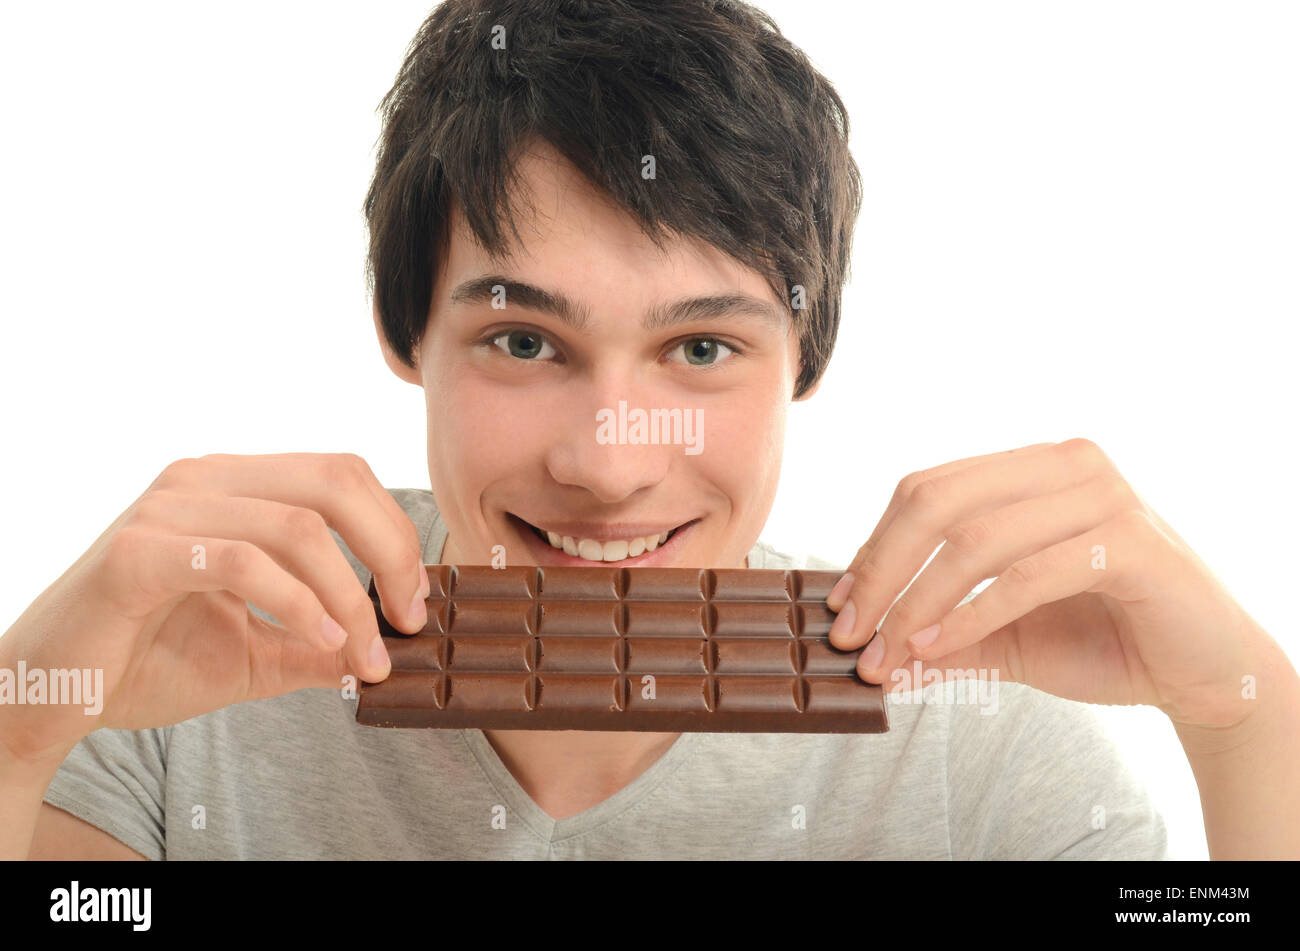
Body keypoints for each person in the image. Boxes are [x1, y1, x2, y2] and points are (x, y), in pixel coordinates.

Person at [2, 0, 1295, 860]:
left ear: (807, 359)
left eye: (700, 348)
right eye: (523, 342)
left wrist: (1250, 726)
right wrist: (17, 732)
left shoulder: (986, 753)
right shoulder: (184, 672)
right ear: (406, 334)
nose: (610, 462)